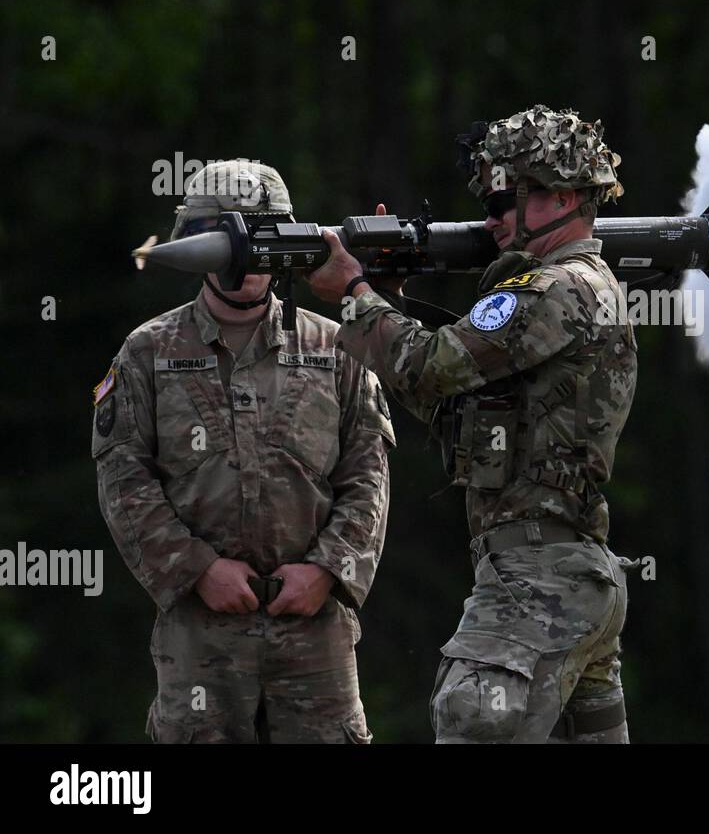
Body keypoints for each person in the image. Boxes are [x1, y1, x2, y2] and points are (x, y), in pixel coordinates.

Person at [308, 105, 638, 743]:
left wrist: (356, 294)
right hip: (574, 580)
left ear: (561, 197)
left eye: (501, 199)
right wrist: (388, 299)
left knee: (471, 724)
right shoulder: (586, 286)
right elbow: (454, 405)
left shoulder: (553, 289)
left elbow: (431, 365)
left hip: (535, 585)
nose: (489, 221)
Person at [92, 159, 394, 743]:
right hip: (200, 634)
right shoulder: (147, 352)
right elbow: (123, 479)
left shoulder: (336, 347)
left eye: (265, 237)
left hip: (314, 627)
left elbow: (369, 471)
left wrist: (327, 570)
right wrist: (197, 570)